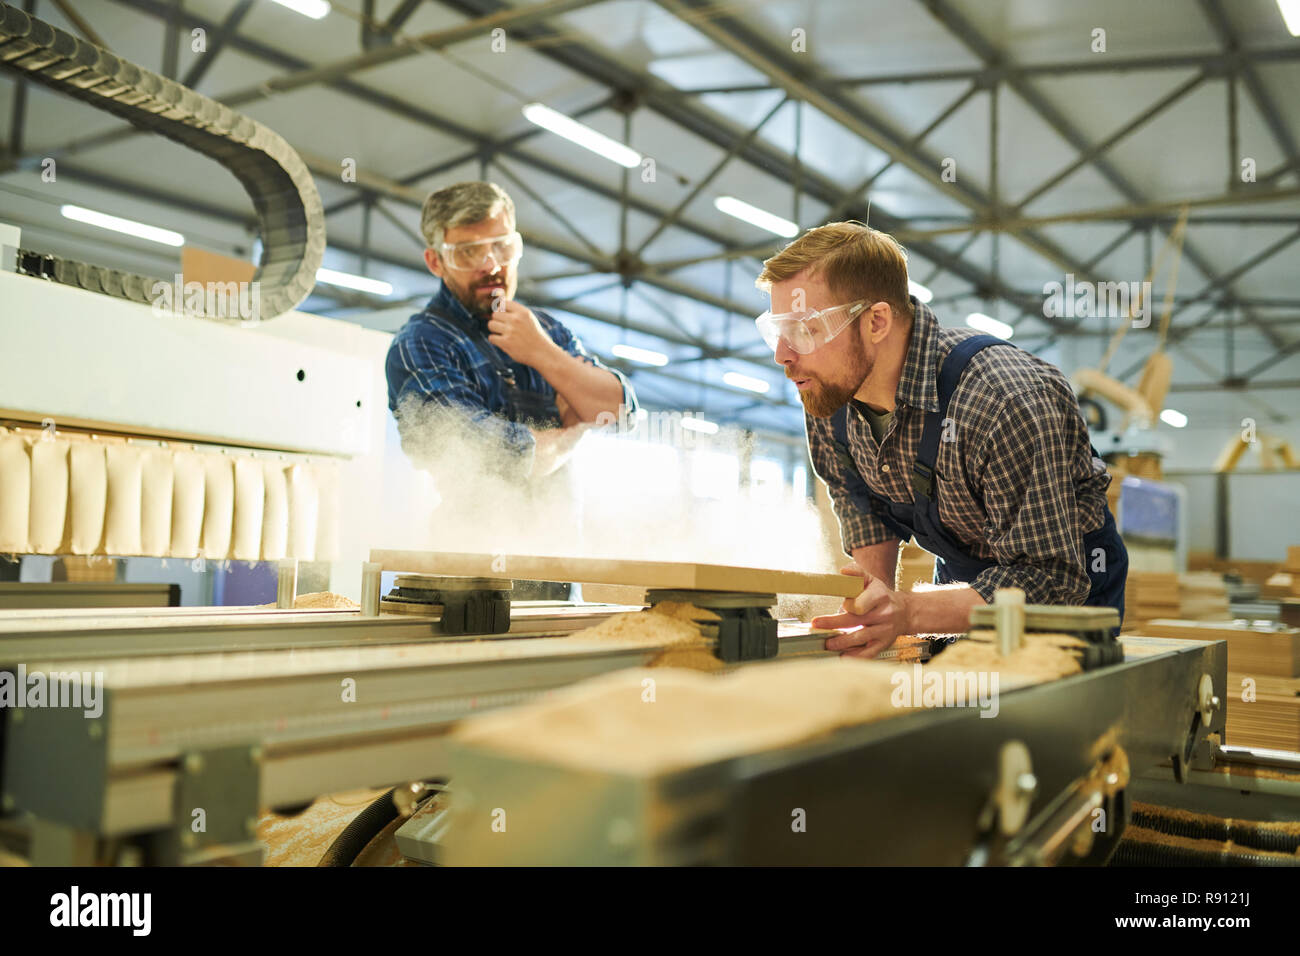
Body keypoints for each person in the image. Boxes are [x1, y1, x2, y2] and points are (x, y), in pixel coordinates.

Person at [753, 221, 1127, 658]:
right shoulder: (829, 392)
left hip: (1063, 593)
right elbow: (861, 502)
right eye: (777, 330)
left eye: (806, 329)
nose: (783, 354)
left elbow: (1051, 579)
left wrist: (909, 613)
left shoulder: (1003, 399)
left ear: (876, 321)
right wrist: (872, 611)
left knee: (1027, 716)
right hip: (961, 580)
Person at [386, 181, 634, 477]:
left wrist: (542, 353)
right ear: (436, 262)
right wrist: (572, 433)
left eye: (501, 247)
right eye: (468, 252)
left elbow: (618, 413)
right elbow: (490, 456)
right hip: (472, 524)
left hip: (559, 522)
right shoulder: (422, 344)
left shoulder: (547, 331)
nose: (490, 265)